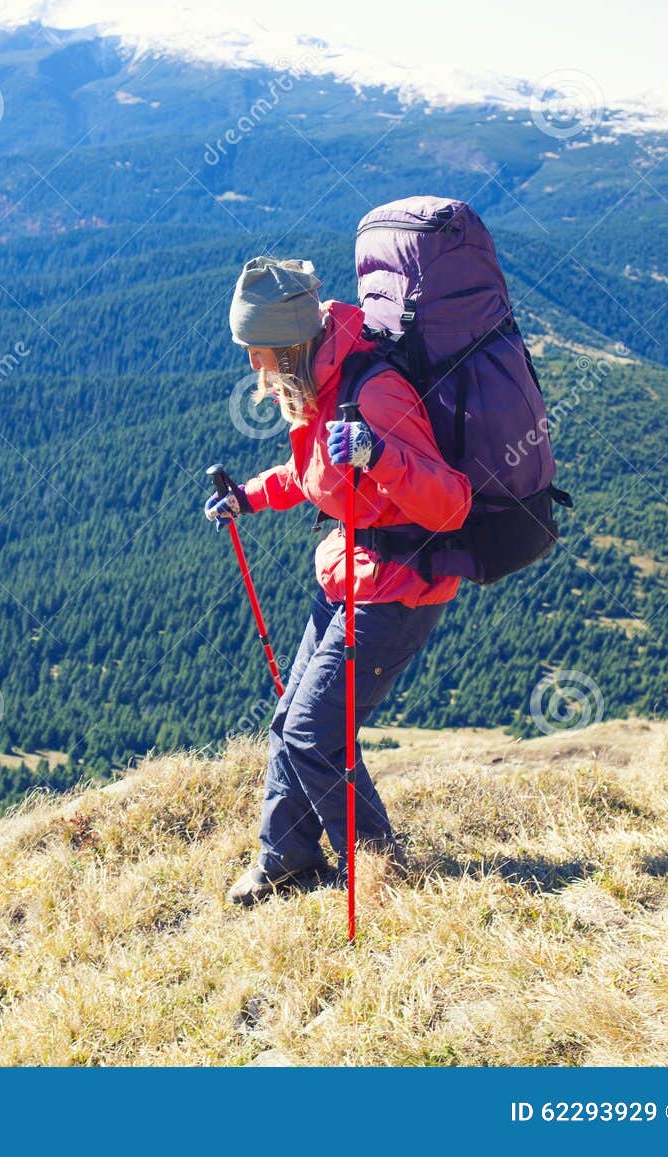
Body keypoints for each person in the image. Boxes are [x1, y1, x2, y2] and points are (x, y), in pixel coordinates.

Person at [206, 257, 472, 906]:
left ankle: (381, 873)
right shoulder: (314, 383)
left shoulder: (373, 394)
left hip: (402, 587)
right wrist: (248, 496)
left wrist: (379, 455)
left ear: (290, 344)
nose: (252, 368)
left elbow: (452, 504)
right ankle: (287, 858)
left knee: (313, 733)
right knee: (289, 722)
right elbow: (314, 475)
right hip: (350, 573)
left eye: (258, 351)